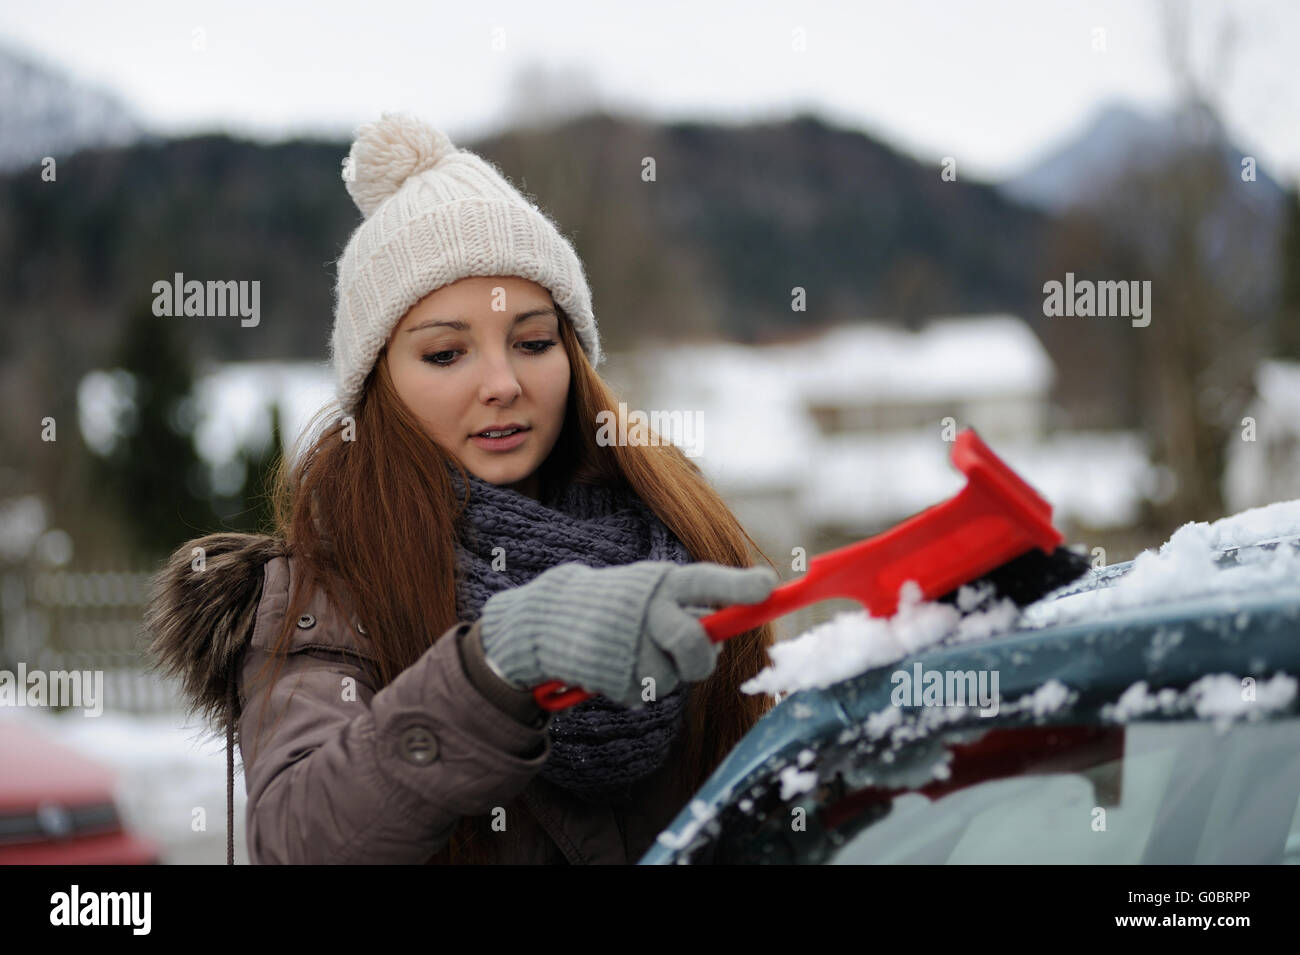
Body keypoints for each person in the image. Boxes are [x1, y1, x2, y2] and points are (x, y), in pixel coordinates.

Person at [143, 112, 781, 865]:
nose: (504, 384)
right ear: (378, 384)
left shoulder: (677, 527)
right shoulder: (326, 593)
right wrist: (495, 665)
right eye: (446, 353)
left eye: (535, 342)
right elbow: (300, 838)